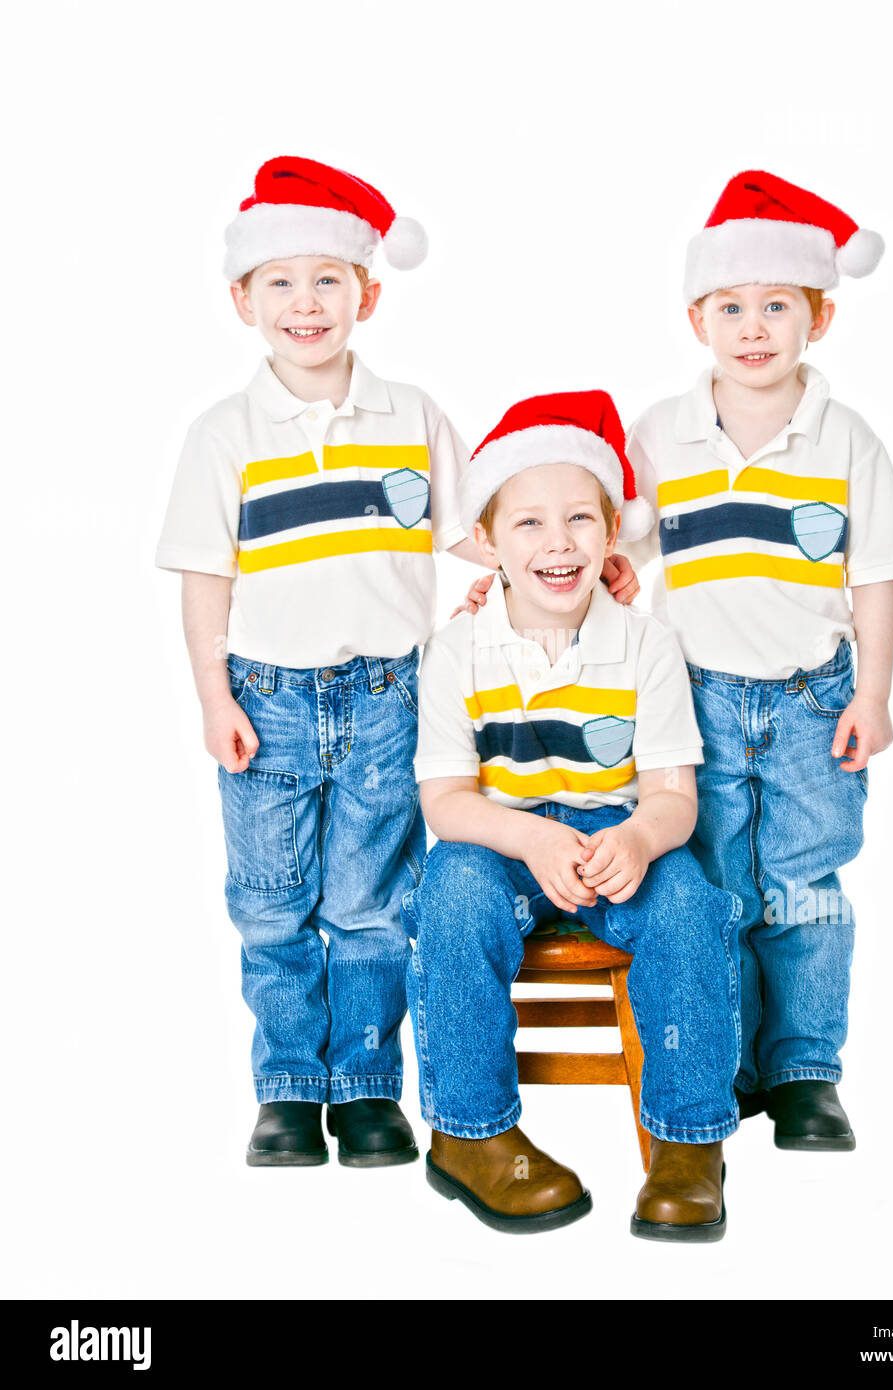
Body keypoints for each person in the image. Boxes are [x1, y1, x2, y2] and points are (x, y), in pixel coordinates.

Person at [155, 155, 481, 1168]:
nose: (307, 305)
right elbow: (205, 577)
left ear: (368, 294)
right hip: (269, 697)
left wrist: (545, 570)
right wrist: (214, 695)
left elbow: (469, 536)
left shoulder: (412, 417)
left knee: (372, 902)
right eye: (282, 284)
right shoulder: (224, 435)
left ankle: (369, 1088)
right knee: (270, 900)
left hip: (389, 693)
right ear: (242, 298)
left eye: (329, 282)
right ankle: (291, 1086)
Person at [624, 171, 893, 1148]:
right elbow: (613, 550)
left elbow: (873, 575)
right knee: (709, 888)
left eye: (775, 307)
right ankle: (726, 1058)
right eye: (730, 308)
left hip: (809, 698)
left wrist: (872, 695)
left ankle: (803, 1068)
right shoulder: (662, 436)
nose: (752, 328)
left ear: (818, 317)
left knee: (803, 887)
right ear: (695, 316)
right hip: (693, 703)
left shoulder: (843, 439)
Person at [402, 391, 742, 1240]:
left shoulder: (645, 641)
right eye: (527, 524)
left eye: (579, 520)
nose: (557, 542)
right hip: (501, 838)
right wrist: (530, 834)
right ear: (486, 542)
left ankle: (688, 1143)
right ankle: (471, 1135)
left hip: (619, 834)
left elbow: (672, 796)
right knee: (452, 898)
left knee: (692, 907)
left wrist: (636, 835)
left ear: (610, 533)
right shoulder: (456, 651)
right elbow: (447, 804)